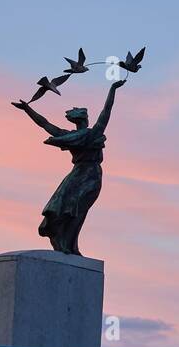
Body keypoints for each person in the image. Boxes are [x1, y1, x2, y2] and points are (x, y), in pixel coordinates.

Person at [12, 79, 123, 255]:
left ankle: (70, 244)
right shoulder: (72, 135)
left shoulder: (94, 133)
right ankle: (62, 242)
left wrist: (113, 89)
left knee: (77, 211)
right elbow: (46, 125)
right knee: (64, 208)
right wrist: (28, 110)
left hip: (91, 175)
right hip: (78, 174)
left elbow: (106, 110)